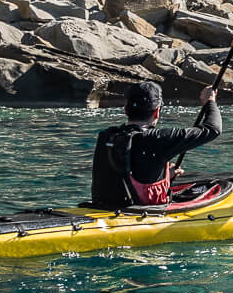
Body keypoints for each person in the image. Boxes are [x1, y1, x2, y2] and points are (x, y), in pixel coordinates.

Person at [90, 81, 222, 208]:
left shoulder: (106, 136)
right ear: (157, 112)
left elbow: (124, 172)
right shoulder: (159, 138)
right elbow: (213, 129)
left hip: (102, 208)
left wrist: (163, 174)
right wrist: (210, 101)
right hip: (140, 213)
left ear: (126, 110)